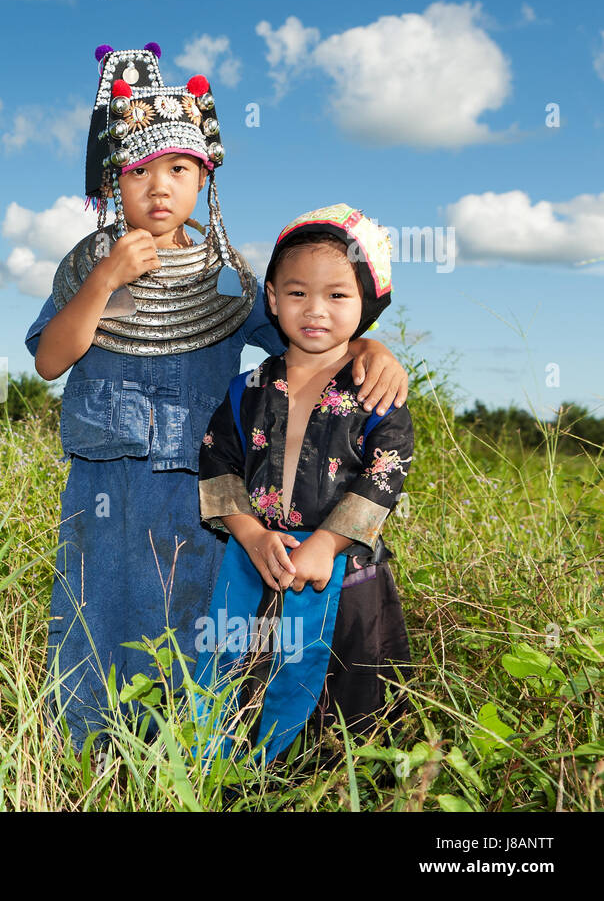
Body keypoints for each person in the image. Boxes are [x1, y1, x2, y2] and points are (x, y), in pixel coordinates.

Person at [24, 43, 409, 754]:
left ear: (205, 178)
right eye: (139, 170)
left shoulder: (229, 278)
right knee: (95, 613)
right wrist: (106, 280)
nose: (159, 187)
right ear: (114, 179)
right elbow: (52, 359)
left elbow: (305, 338)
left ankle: (186, 757)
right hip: (106, 488)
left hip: (209, 499)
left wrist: (370, 349)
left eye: (179, 169)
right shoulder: (85, 264)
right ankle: (84, 757)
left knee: (196, 627)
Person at [193, 204, 414, 763]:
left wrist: (327, 542)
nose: (315, 310)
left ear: (367, 305)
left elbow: (384, 475)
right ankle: (241, 785)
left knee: (350, 712)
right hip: (262, 571)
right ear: (271, 298)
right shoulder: (247, 388)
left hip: (350, 587)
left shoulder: (375, 390)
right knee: (244, 691)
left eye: (338, 295)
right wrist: (250, 535)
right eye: (296, 293)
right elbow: (218, 465)